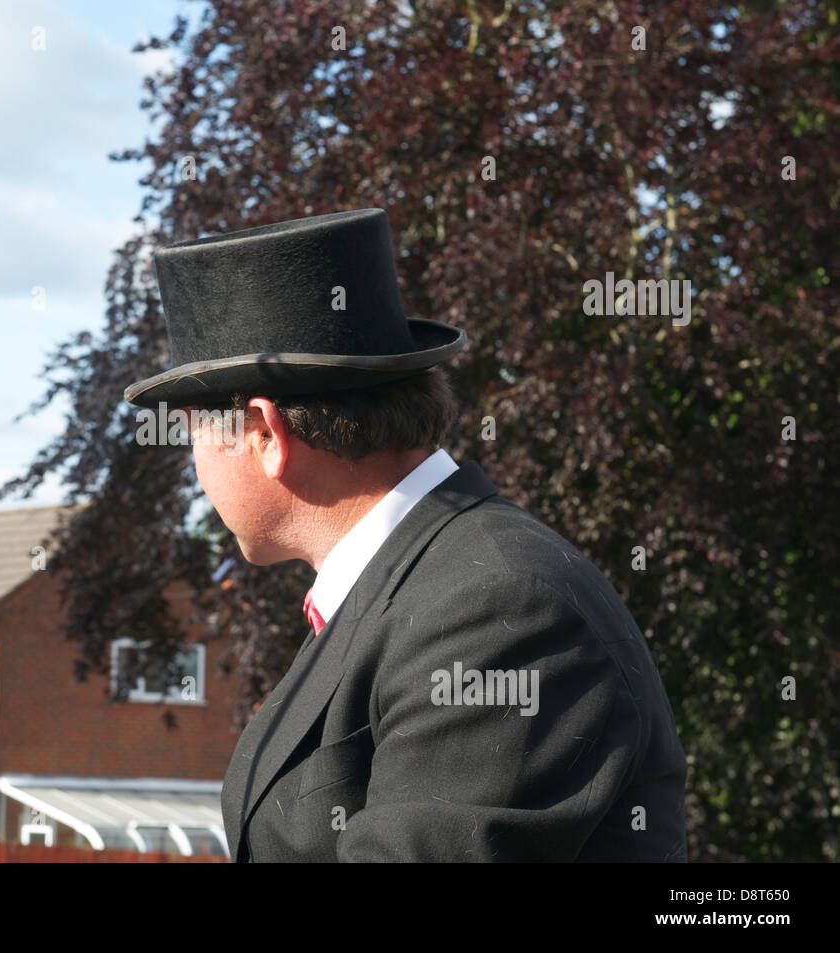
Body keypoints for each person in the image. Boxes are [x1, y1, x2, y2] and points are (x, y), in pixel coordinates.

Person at [124, 208, 687, 862]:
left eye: (193, 430)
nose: (193, 465)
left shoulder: (496, 609)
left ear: (262, 433)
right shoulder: (417, 590)